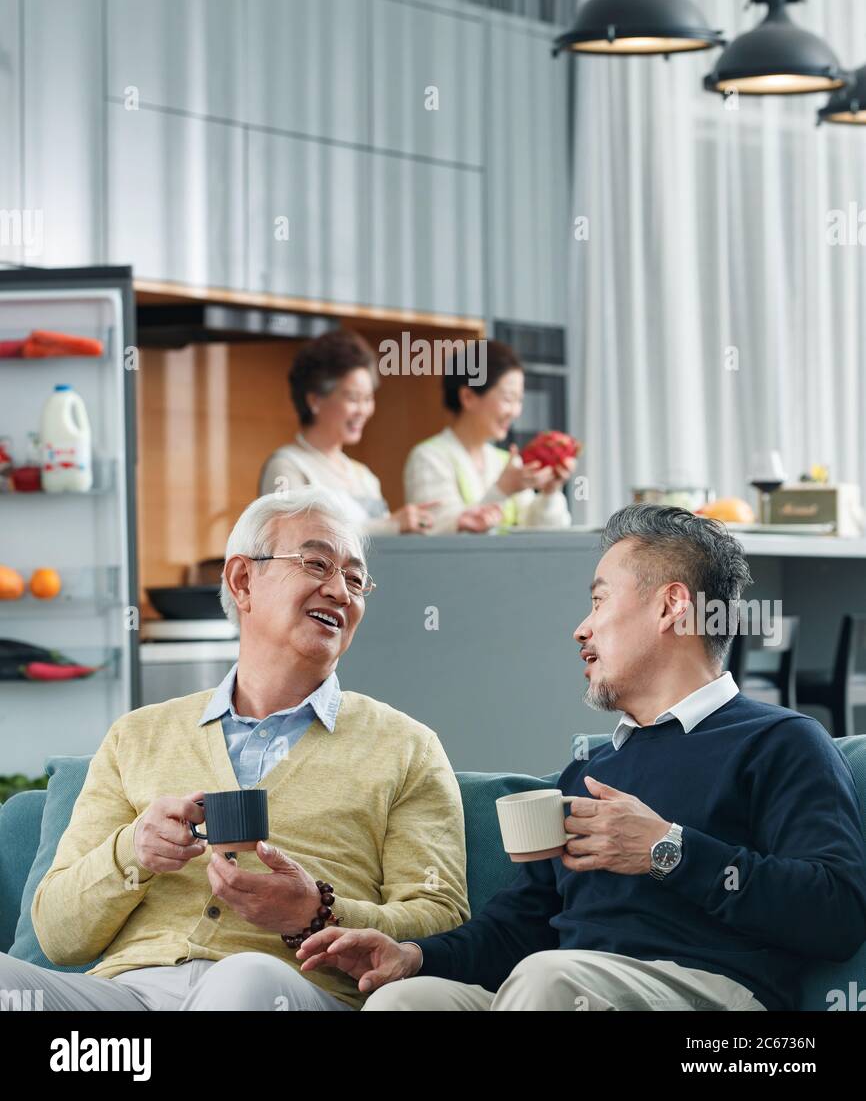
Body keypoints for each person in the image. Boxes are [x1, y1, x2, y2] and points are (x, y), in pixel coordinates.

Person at [293, 505, 866, 1012]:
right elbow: (522, 924)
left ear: (671, 606)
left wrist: (667, 849)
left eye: (599, 600)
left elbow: (835, 912)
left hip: (715, 997)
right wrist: (414, 954)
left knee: (553, 979)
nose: (581, 628)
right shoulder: (591, 769)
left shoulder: (782, 741)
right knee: (408, 1000)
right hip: (564, 987)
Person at [1, 487, 469, 1011]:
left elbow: (438, 918)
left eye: (355, 579)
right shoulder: (135, 736)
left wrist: (316, 912)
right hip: (127, 995)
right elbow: (59, 937)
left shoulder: (407, 747)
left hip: (282, 991)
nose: (340, 591)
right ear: (243, 581)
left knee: (241, 981)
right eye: (317, 564)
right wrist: (131, 852)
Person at [259, 329, 437, 534]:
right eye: (353, 398)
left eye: (368, 399)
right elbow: (294, 539)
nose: (363, 410)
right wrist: (392, 525)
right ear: (314, 400)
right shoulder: (286, 467)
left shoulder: (364, 476)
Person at [402, 339, 575, 533]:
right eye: (508, 399)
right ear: (468, 397)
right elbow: (438, 532)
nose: (515, 411)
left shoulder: (504, 461)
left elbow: (540, 535)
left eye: (519, 400)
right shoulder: (429, 458)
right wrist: (502, 490)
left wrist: (549, 492)